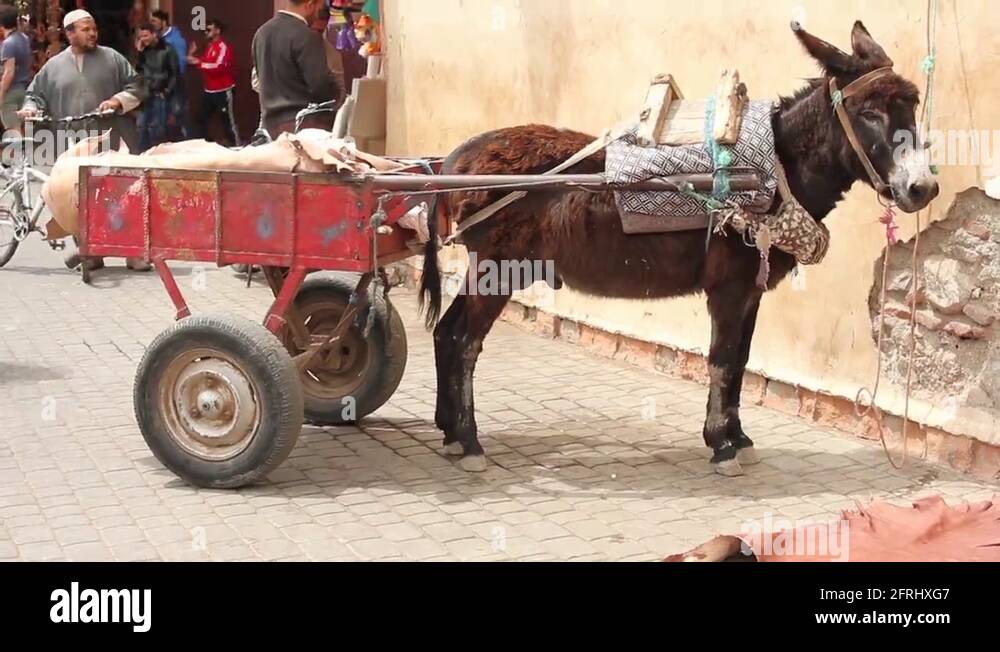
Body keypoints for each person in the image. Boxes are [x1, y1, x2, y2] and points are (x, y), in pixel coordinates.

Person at [17, 9, 147, 272]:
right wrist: (30, 108)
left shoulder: (112, 58)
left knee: (121, 195)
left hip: (111, 139)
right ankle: (91, 251)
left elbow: (138, 87)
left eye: (94, 28)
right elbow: (35, 95)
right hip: (71, 142)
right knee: (80, 200)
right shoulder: (52, 66)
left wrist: (116, 101)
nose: (92, 33)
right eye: (86, 29)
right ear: (69, 33)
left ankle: (133, 252)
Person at [251, 0, 340, 140]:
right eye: (320, 6)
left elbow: (260, 77)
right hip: (305, 126)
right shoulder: (306, 35)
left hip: (270, 127)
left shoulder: (262, 33)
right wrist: (337, 95)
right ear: (310, 4)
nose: (319, 12)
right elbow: (321, 84)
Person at [187, 18, 240, 147]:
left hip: (223, 90)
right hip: (209, 90)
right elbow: (206, 63)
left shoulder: (223, 47)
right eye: (205, 30)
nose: (206, 32)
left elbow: (218, 66)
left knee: (228, 121)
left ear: (217, 30)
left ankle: (236, 146)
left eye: (209, 29)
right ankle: (205, 145)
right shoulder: (210, 46)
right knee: (200, 118)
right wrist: (193, 57)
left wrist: (197, 62)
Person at [135, 22, 179, 152]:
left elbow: (175, 73)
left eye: (146, 36)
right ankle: (142, 154)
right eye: (141, 37)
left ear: (154, 34)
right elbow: (138, 70)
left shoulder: (167, 49)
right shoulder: (145, 50)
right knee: (142, 126)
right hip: (146, 93)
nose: (143, 39)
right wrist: (139, 53)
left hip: (161, 93)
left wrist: (167, 91)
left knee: (159, 128)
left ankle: (159, 155)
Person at [150, 9, 189, 140]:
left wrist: (169, 86)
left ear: (164, 22)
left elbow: (179, 65)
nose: (152, 24)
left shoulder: (175, 40)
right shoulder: (158, 39)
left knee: (175, 118)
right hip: (161, 86)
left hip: (173, 85)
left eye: (154, 21)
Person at [0, 6, 34, 134]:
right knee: (24, 131)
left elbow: (9, 72)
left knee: (13, 132)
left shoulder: (8, 43)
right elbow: (29, 61)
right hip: (24, 88)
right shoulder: (24, 38)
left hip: (12, 91)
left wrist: (1, 94)